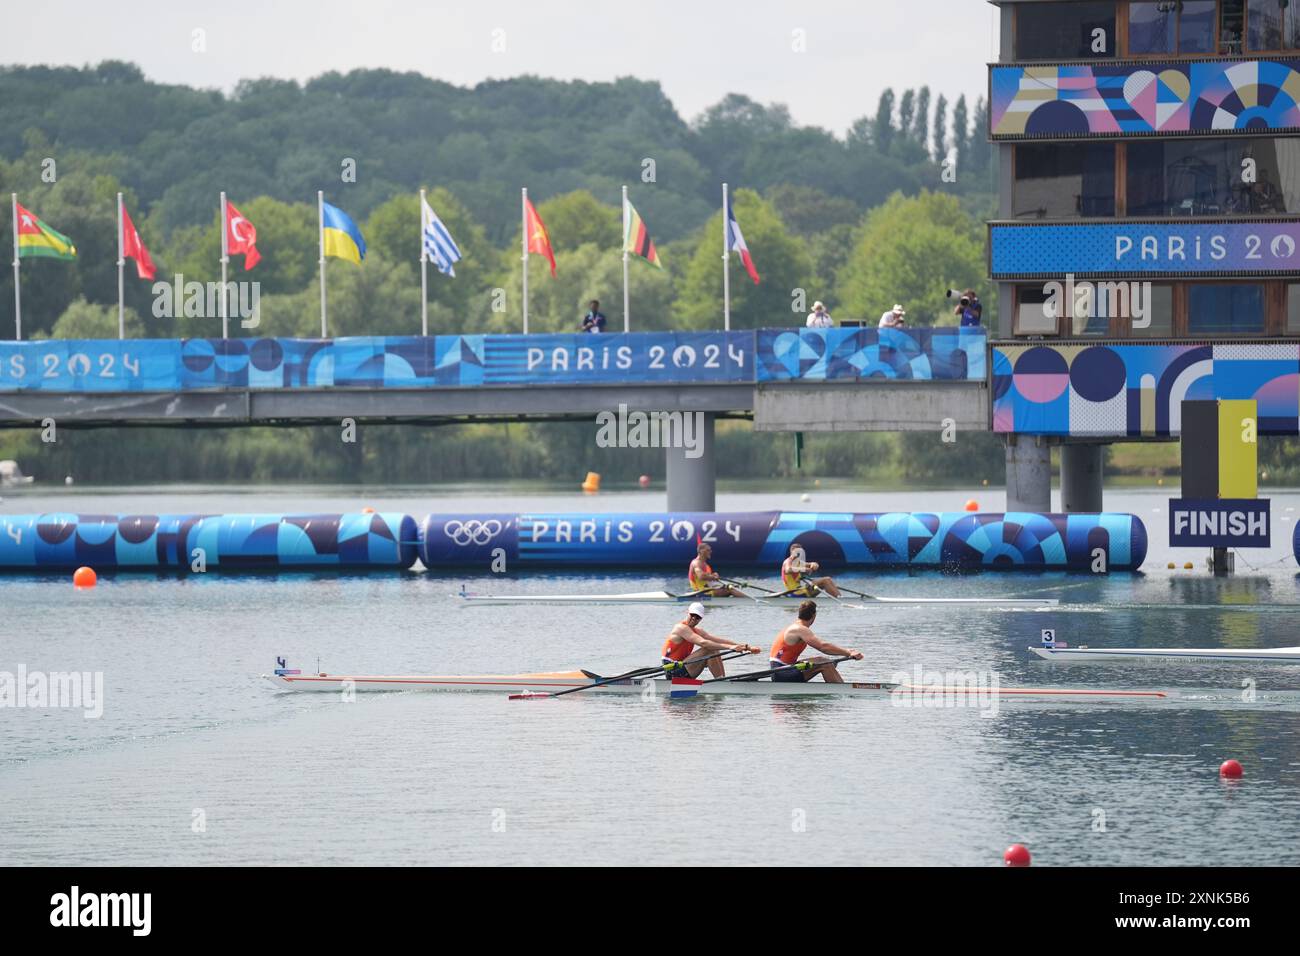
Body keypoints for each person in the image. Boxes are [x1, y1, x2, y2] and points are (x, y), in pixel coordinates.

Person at [769, 601, 863, 683]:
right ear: (814, 616)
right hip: (783, 673)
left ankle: (840, 687)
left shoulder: (794, 627)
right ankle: (844, 692)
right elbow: (823, 647)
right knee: (825, 664)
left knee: (822, 660)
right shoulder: (800, 629)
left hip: (782, 670)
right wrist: (849, 652)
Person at [661, 602, 761, 679]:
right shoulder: (680, 628)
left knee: (714, 648)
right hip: (672, 671)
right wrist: (731, 648)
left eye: (698, 617)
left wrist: (747, 647)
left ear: (701, 619)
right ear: (687, 613)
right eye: (692, 615)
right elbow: (703, 643)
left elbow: (718, 640)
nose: (694, 619)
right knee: (709, 649)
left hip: (682, 667)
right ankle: (721, 683)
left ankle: (722, 680)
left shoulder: (696, 630)